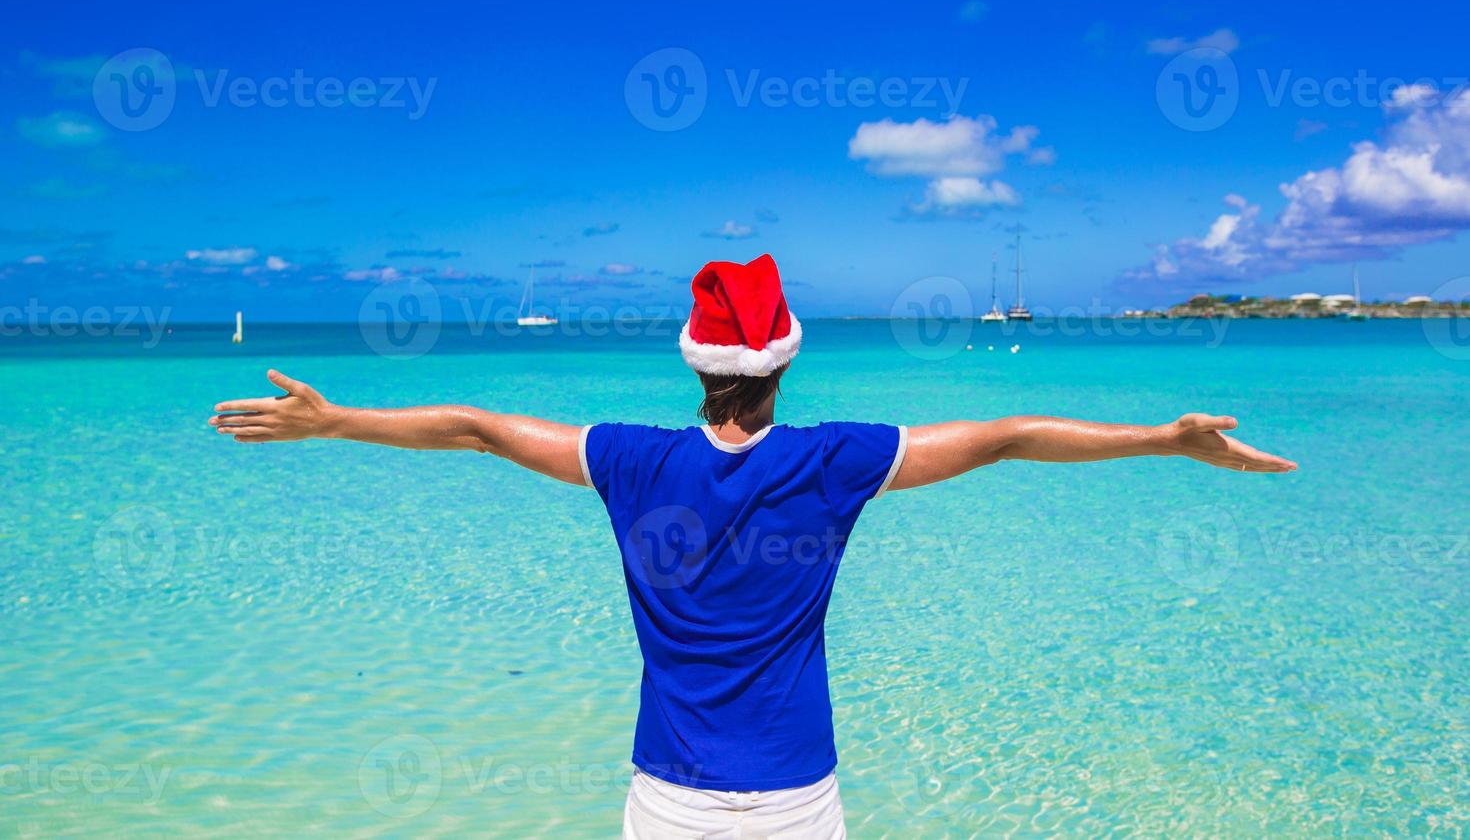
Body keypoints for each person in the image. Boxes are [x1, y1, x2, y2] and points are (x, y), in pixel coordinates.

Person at [210, 254, 1296, 838]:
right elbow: (1008, 435)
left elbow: (478, 426)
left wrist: (338, 418)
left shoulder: (627, 460)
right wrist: (1166, 438)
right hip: (793, 789)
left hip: (670, 790)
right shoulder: (837, 459)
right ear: (783, 364)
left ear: (697, 364)